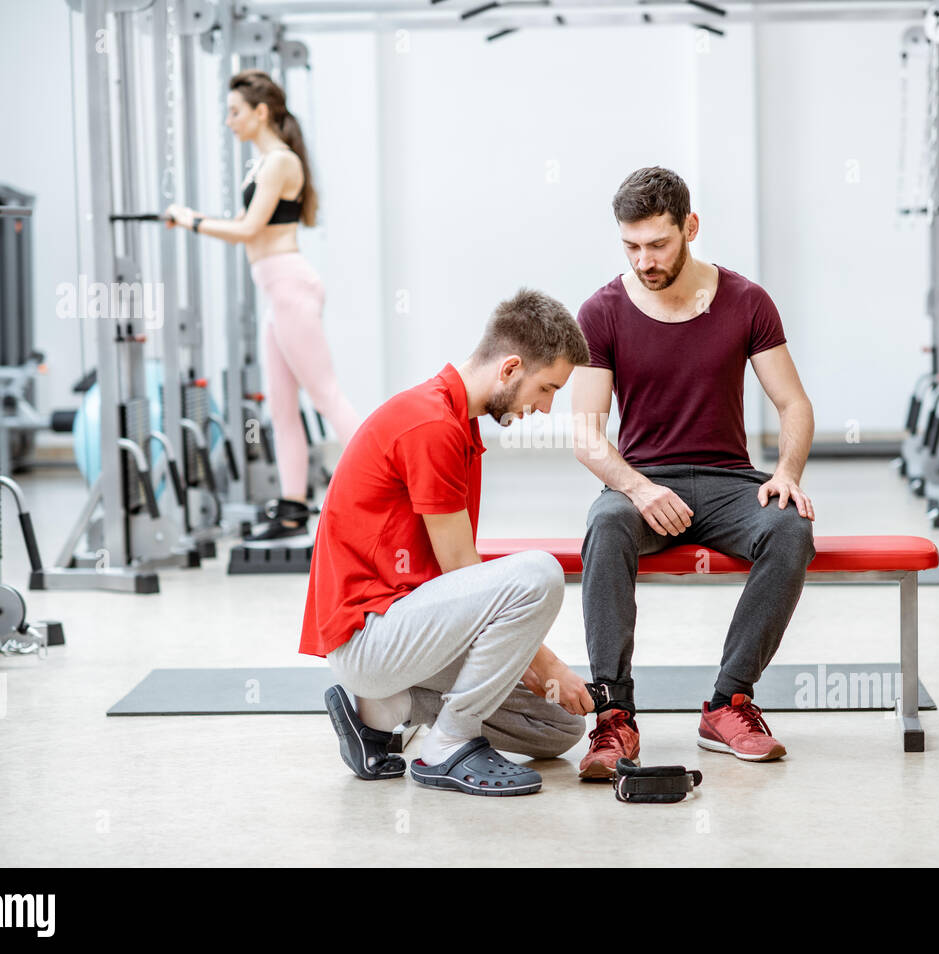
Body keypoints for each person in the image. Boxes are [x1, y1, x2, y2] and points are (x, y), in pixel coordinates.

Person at [571, 167, 817, 779]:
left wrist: (787, 471)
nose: (644, 260)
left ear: (690, 227)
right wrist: (637, 487)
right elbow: (585, 432)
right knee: (606, 524)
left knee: (790, 528)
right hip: (644, 480)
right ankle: (614, 714)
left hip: (730, 481)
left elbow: (794, 404)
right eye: (631, 246)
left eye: (658, 243)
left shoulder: (746, 301)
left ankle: (729, 701)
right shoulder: (601, 311)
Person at [302, 289, 596, 797]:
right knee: (540, 573)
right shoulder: (431, 423)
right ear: (509, 369)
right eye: (547, 389)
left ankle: (386, 709)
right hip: (370, 638)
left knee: (559, 728)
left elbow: (458, 588)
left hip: (409, 632)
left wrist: (537, 670)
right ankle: (446, 747)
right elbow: (463, 571)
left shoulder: (459, 423)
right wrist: (548, 664)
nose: (545, 408)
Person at [165, 69, 359, 540]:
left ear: (260, 112)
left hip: (290, 285)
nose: (229, 121)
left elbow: (249, 231)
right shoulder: (263, 164)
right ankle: (293, 506)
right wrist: (197, 219)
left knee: (326, 394)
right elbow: (240, 223)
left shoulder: (279, 162)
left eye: (235, 112)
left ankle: (388, 485)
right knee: (281, 406)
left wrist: (190, 221)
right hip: (277, 289)